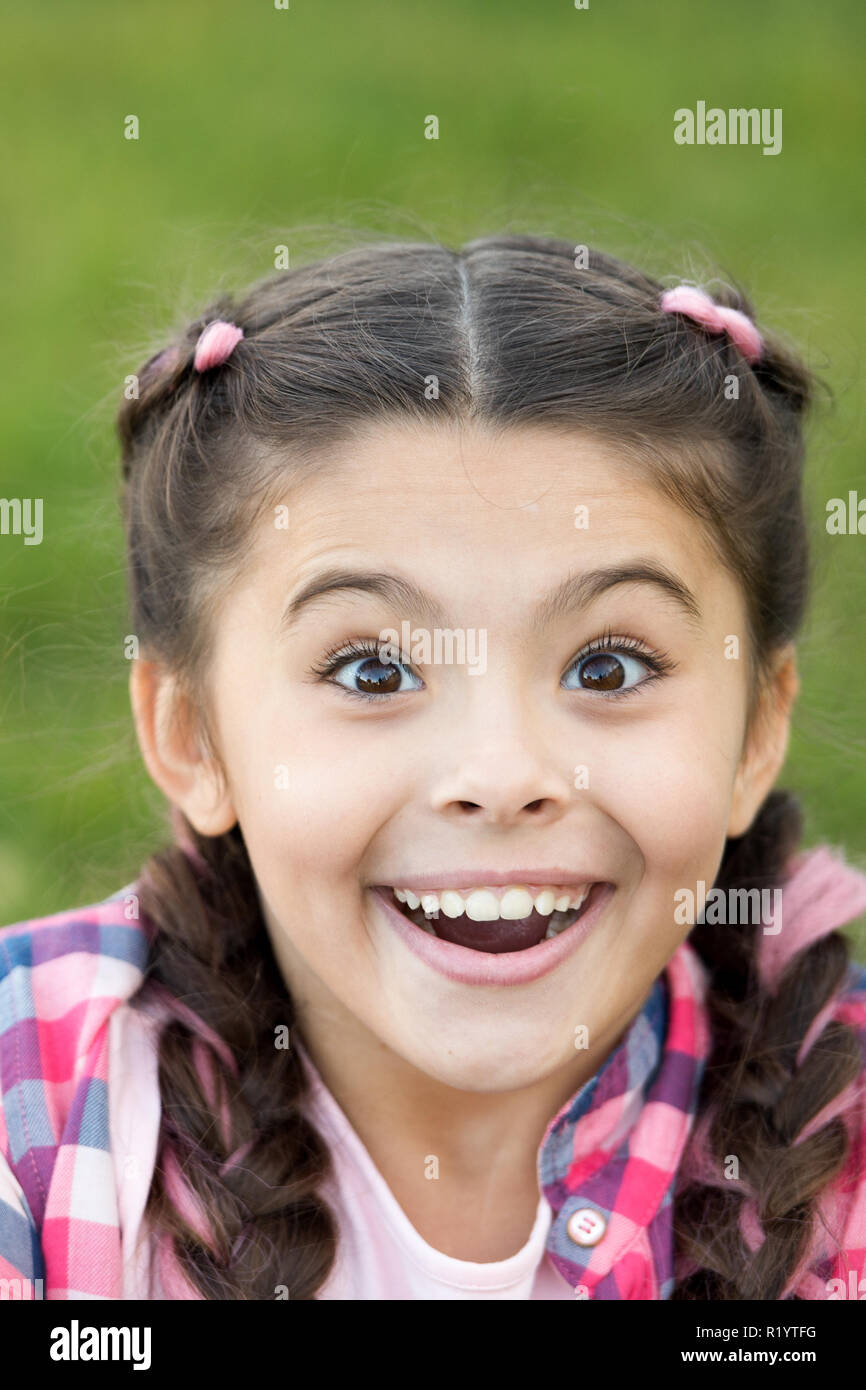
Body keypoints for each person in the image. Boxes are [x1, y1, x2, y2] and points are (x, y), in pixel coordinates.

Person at [2, 235, 866, 1301]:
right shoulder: (28, 1107)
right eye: (371, 671)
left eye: (607, 665)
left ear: (750, 732)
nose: (500, 775)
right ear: (193, 737)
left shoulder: (837, 1161)